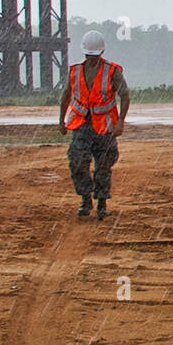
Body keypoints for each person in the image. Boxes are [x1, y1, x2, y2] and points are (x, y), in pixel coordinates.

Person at [59, 31, 130, 220]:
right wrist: (61, 121)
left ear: (101, 53)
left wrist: (120, 121)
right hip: (81, 125)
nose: (91, 59)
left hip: (105, 127)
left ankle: (102, 203)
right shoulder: (75, 71)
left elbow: (125, 95)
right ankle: (85, 198)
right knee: (77, 162)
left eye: (95, 56)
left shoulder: (112, 71)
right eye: (89, 55)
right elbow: (66, 95)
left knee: (103, 166)